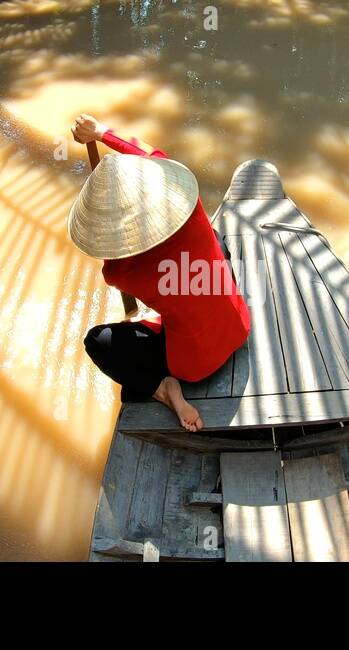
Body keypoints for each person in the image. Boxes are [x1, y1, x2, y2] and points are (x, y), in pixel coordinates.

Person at [69, 114, 250, 432]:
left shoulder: (121, 273)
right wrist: (100, 133)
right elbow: (152, 156)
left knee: (97, 341)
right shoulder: (191, 205)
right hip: (238, 325)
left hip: (194, 366)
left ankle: (165, 390)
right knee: (215, 240)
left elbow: (110, 257)